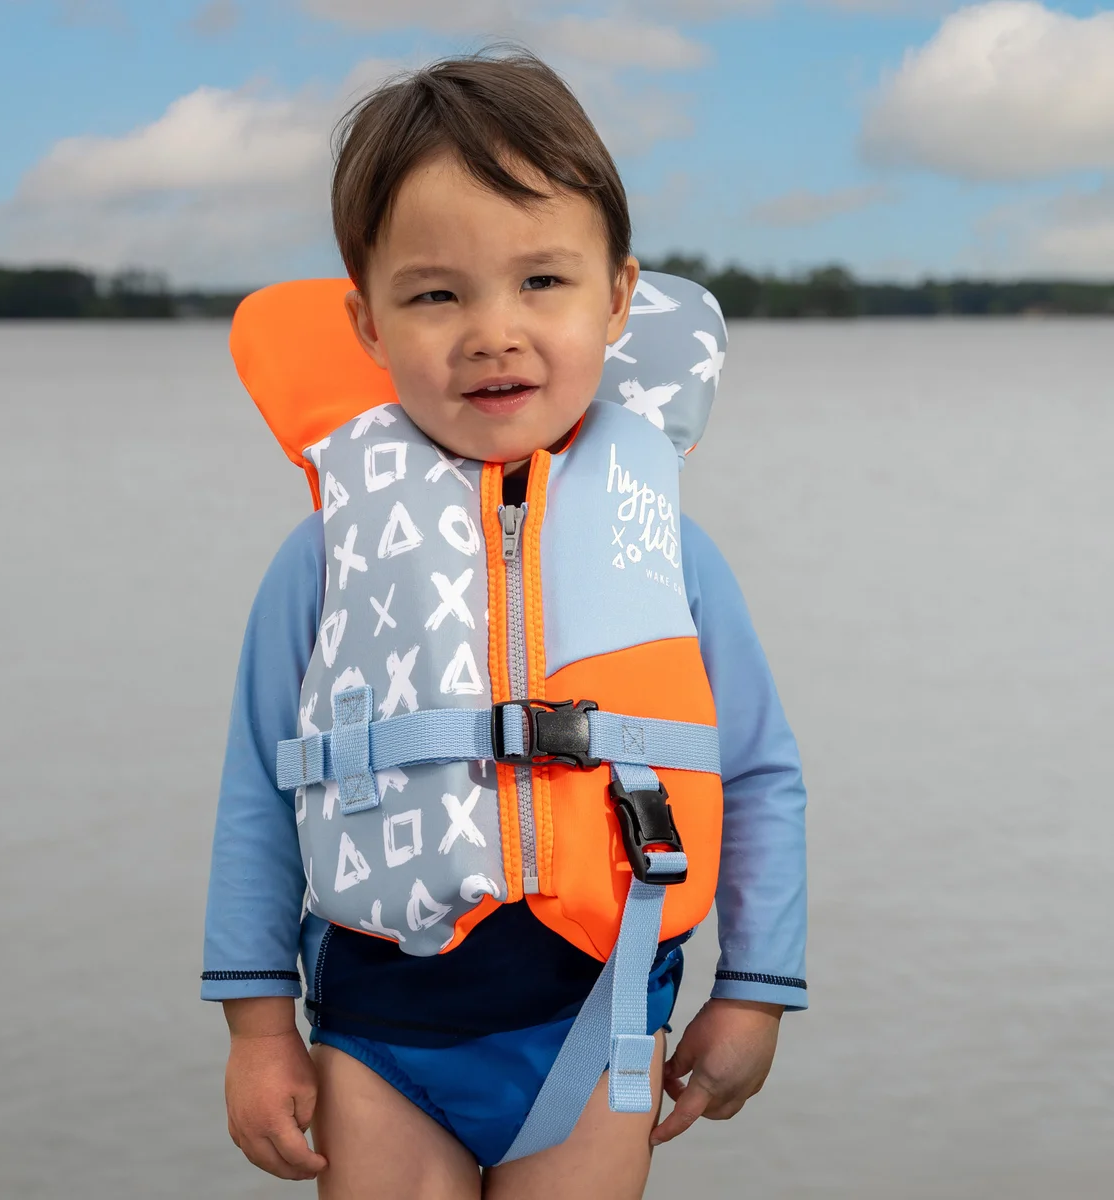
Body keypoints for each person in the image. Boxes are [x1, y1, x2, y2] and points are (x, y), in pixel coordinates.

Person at [202, 48, 807, 1200]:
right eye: (436, 293)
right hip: (381, 1031)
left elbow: (759, 773)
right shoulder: (325, 555)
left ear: (618, 299)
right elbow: (257, 792)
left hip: (599, 1023)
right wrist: (258, 1029)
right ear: (366, 322)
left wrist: (755, 987)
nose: (493, 332)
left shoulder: (666, 549)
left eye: (542, 282)